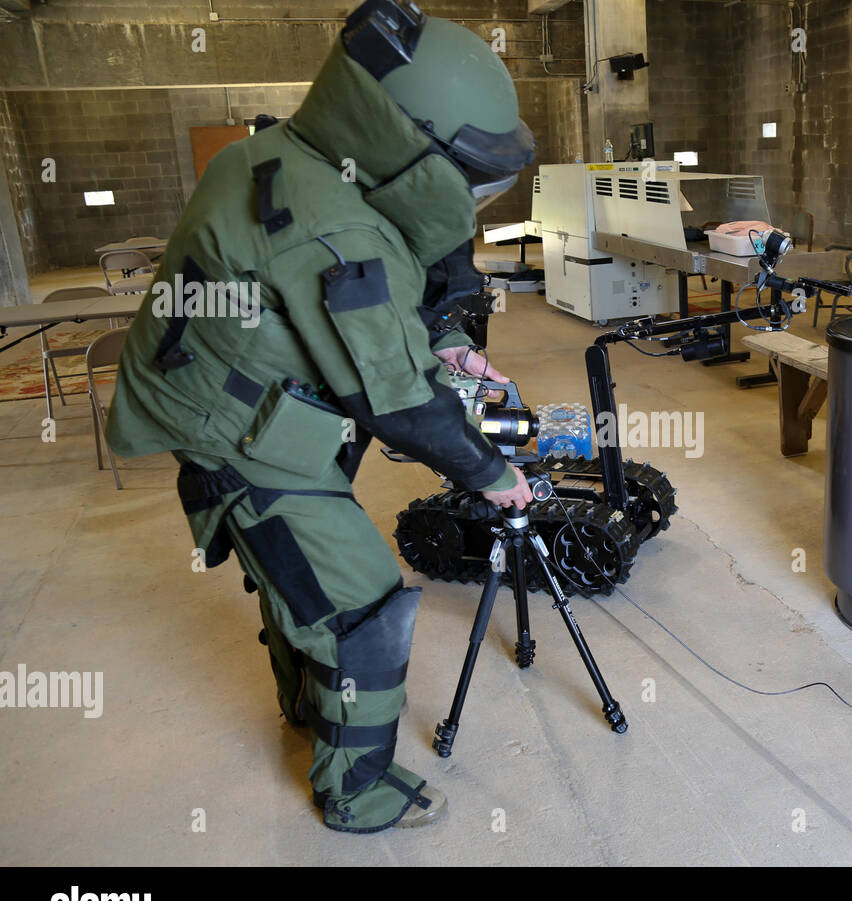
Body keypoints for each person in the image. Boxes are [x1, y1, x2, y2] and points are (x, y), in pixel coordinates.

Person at [106, 0, 536, 833]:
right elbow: (400, 406)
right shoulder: (337, 225)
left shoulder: (281, 153)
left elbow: (382, 282)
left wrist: (444, 338)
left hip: (256, 402)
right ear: (410, 147)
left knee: (298, 576)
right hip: (237, 436)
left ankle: (309, 709)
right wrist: (493, 474)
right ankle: (357, 792)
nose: (478, 197)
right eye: (474, 176)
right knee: (364, 607)